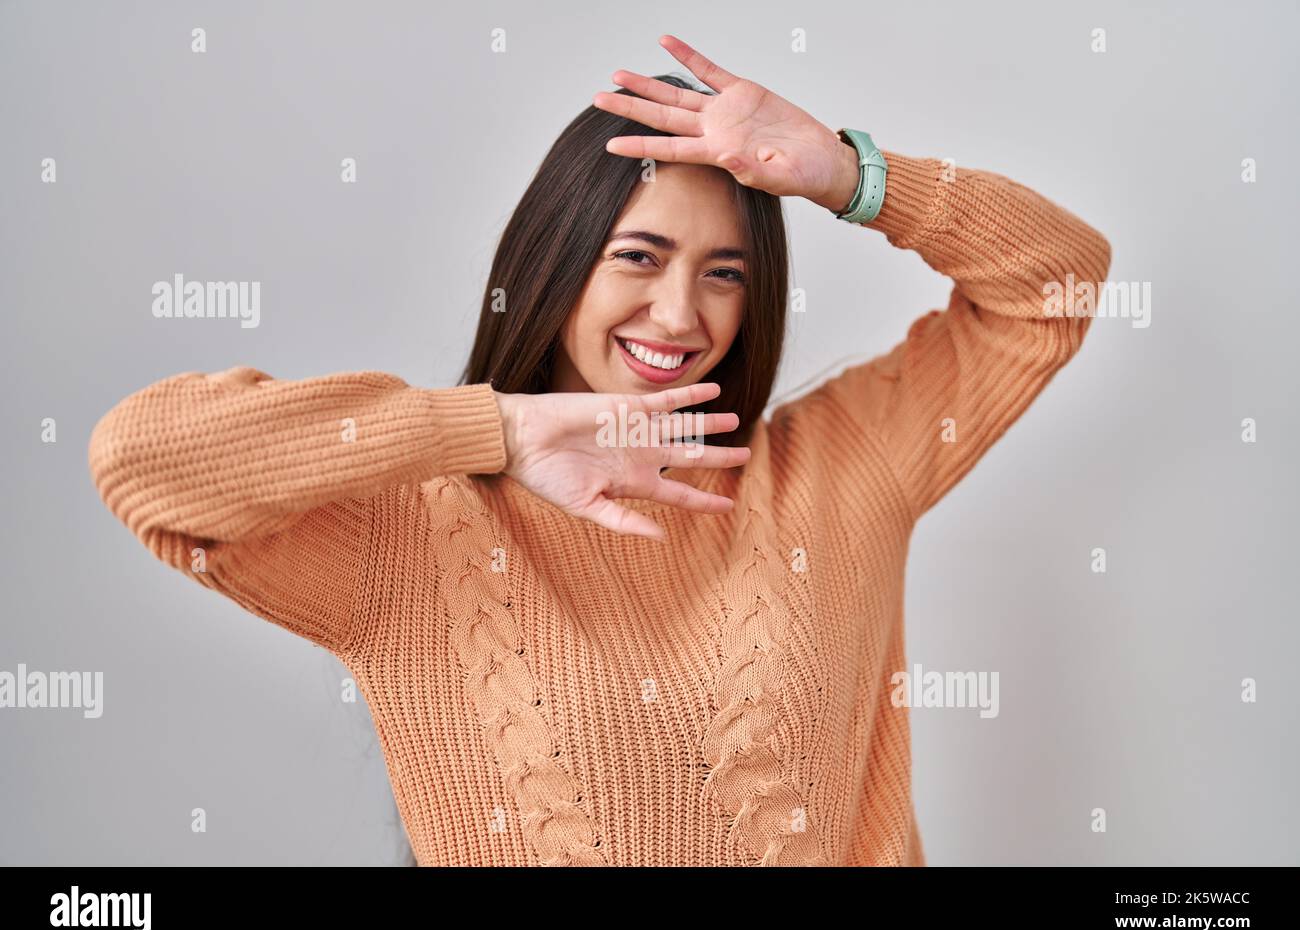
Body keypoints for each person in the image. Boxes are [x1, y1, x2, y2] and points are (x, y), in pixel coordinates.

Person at [88, 35, 1112, 866]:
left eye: (723, 272)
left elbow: (1052, 286)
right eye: (638, 256)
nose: (679, 311)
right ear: (556, 261)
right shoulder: (413, 528)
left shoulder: (841, 465)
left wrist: (852, 175)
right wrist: (494, 428)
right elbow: (142, 458)